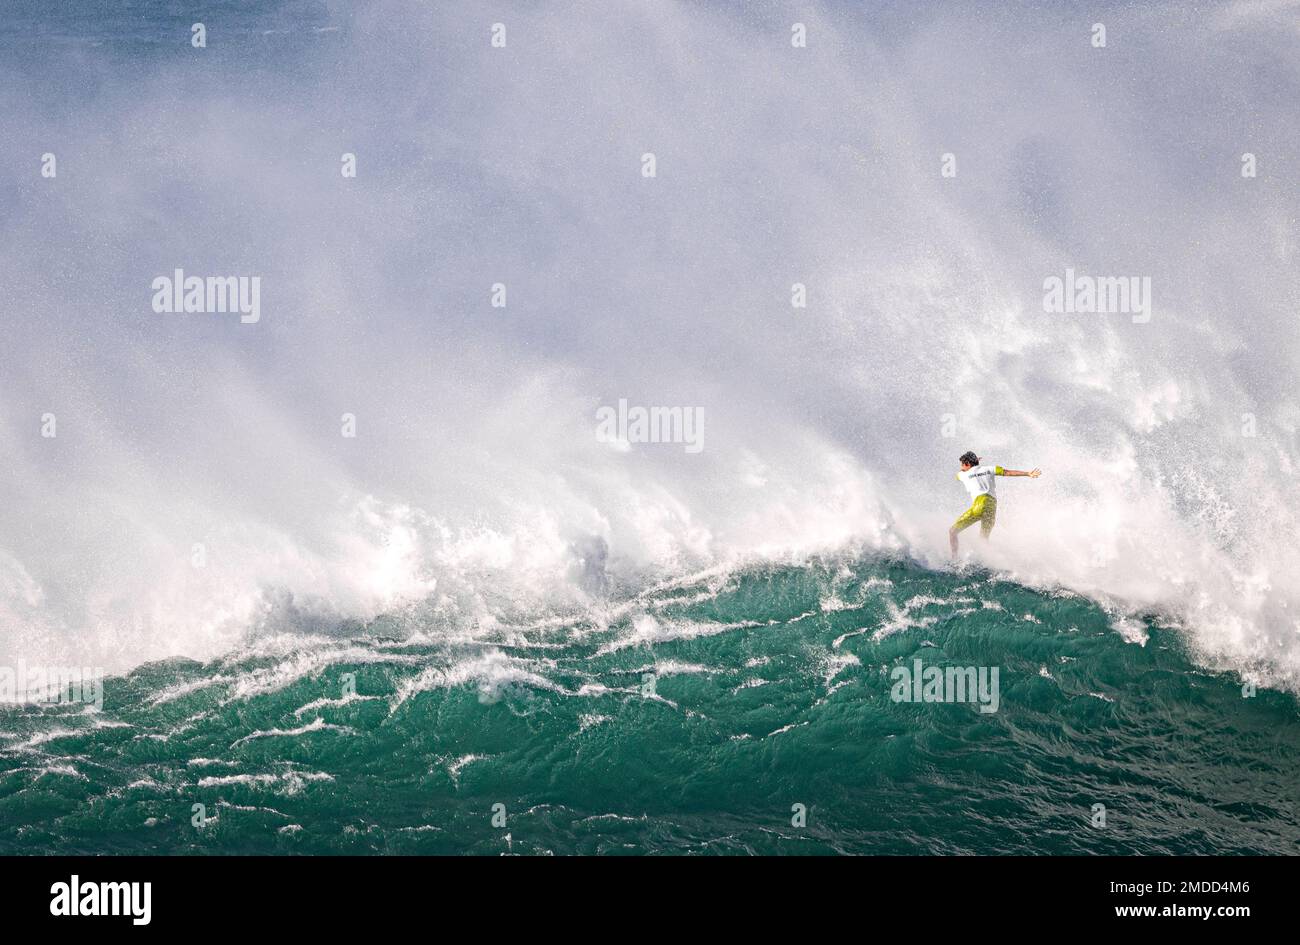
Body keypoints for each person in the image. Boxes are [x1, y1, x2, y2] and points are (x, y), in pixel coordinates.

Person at [949, 450, 1040, 555]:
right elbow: (1008, 472)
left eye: (962, 465)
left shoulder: (962, 475)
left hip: (979, 504)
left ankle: (954, 559)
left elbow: (961, 473)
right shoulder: (990, 468)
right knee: (983, 539)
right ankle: (987, 561)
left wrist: (971, 465)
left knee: (952, 531)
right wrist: (1028, 473)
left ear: (967, 464)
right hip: (992, 506)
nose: (961, 467)